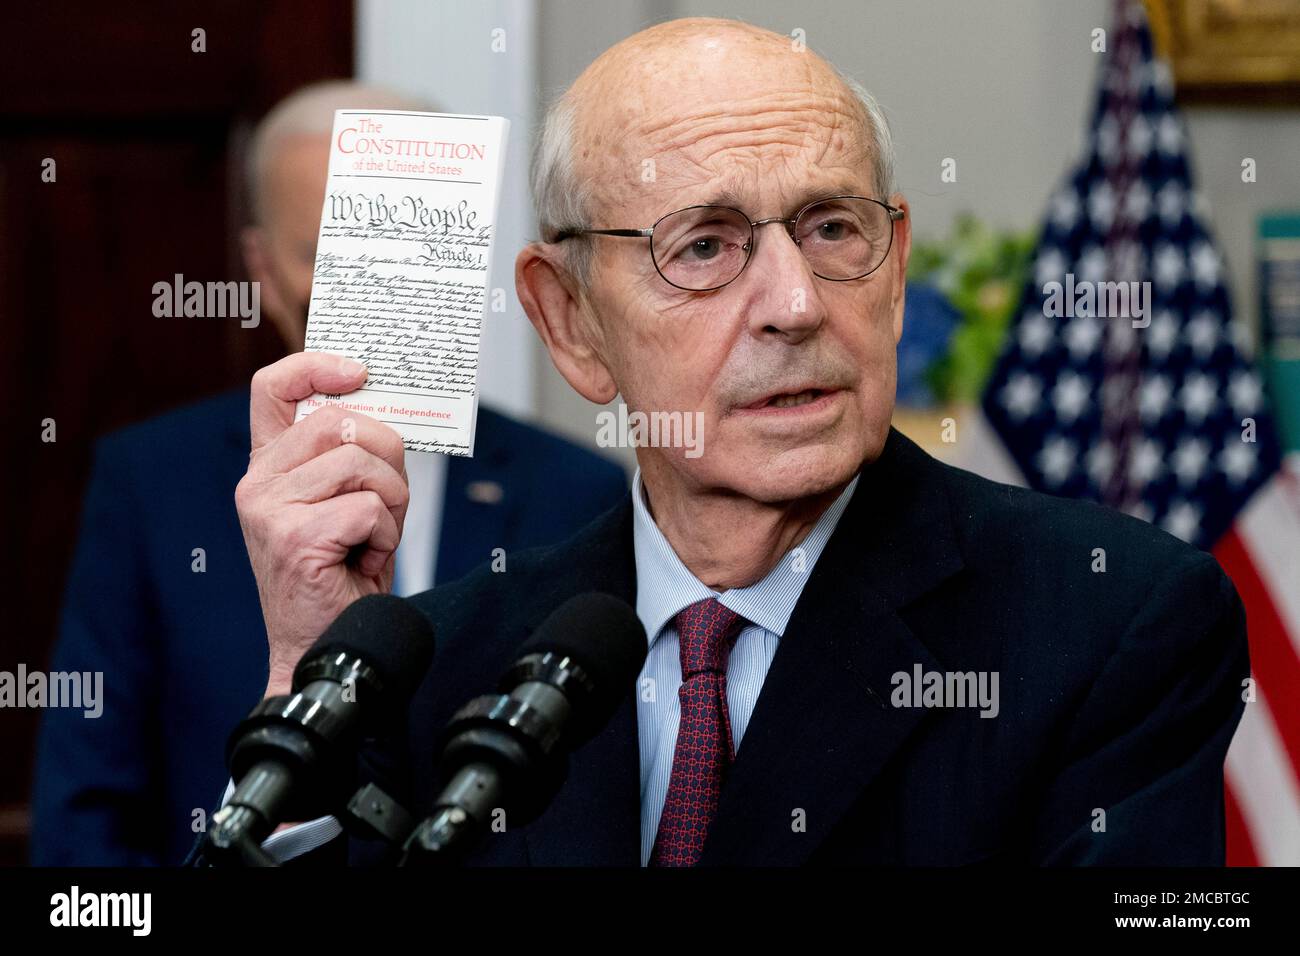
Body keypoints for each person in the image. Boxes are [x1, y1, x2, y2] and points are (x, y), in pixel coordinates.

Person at [225, 20, 1248, 866]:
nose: (795, 305)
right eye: (704, 246)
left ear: (892, 273)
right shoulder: (451, 653)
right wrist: (305, 683)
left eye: (833, 229)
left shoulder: (1111, 622)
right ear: (572, 321)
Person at [30, 82, 628, 866]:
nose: (368, 286)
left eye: (400, 249)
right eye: (327, 253)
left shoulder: (581, 490)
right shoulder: (151, 486)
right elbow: (84, 828)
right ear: (262, 269)